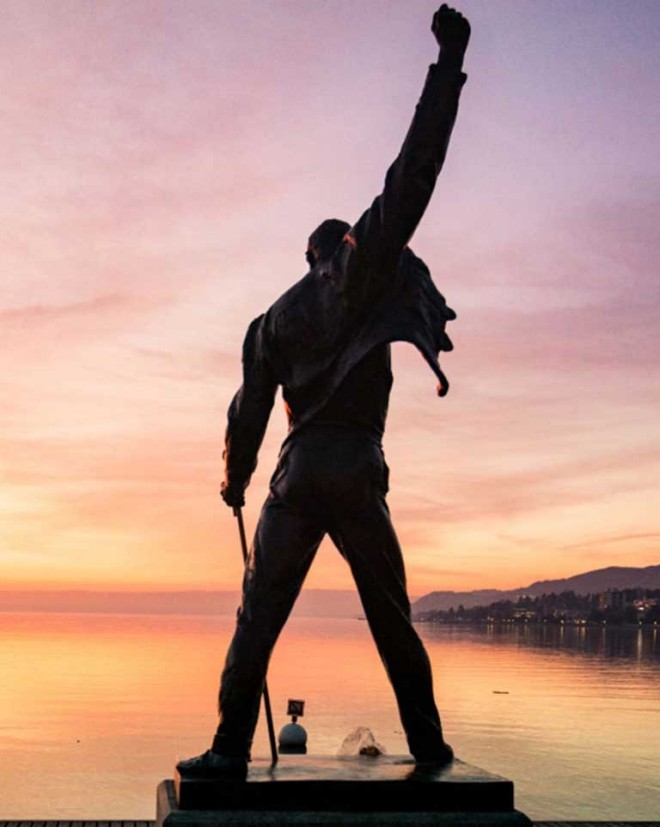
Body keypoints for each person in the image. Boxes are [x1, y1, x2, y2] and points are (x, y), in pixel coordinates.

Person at [178, 4, 470, 780]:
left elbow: (246, 412)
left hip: (298, 470)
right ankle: (433, 748)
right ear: (340, 248)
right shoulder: (360, 269)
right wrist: (447, 69)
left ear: (303, 254)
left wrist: (236, 478)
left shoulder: (272, 318)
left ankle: (225, 748)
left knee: (257, 616)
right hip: (354, 465)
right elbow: (413, 177)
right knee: (391, 619)